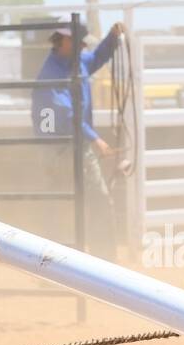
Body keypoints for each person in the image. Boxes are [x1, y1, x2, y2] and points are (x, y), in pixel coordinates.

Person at [31, 22, 125, 261]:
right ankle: (73, 263)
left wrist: (112, 38)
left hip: (71, 145)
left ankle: (93, 262)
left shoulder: (78, 62)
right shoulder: (51, 74)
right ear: (62, 41)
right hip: (59, 148)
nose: (79, 46)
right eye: (72, 41)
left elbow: (97, 58)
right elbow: (65, 115)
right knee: (76, 203)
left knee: (79, 202)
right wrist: (95, 139)